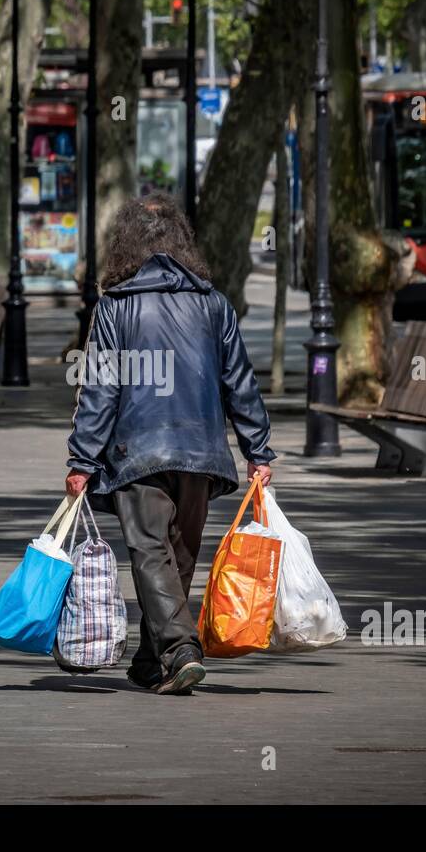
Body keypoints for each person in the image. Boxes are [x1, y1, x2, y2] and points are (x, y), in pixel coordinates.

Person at [65, 193, 275, 695]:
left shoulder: (116, 307)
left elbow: (100, 388)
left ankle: (180, 648)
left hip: (137, 451)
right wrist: (257, 450)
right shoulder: (213, 304)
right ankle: (151, 660)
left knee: (152, 552)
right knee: (178, 553)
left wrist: (82, 457)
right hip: (202, 451)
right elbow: (239, 382)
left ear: (125, 245)